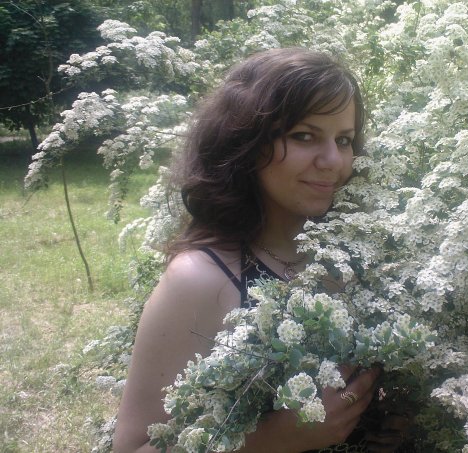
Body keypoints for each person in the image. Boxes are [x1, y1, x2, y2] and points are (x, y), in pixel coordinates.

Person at [113, 47, 407, 453]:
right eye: (304, 136)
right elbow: (132, 448)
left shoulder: (357, 260)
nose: (332, 160)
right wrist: (271, 437)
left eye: (344, 140)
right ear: (246, 142)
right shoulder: (201, 279)